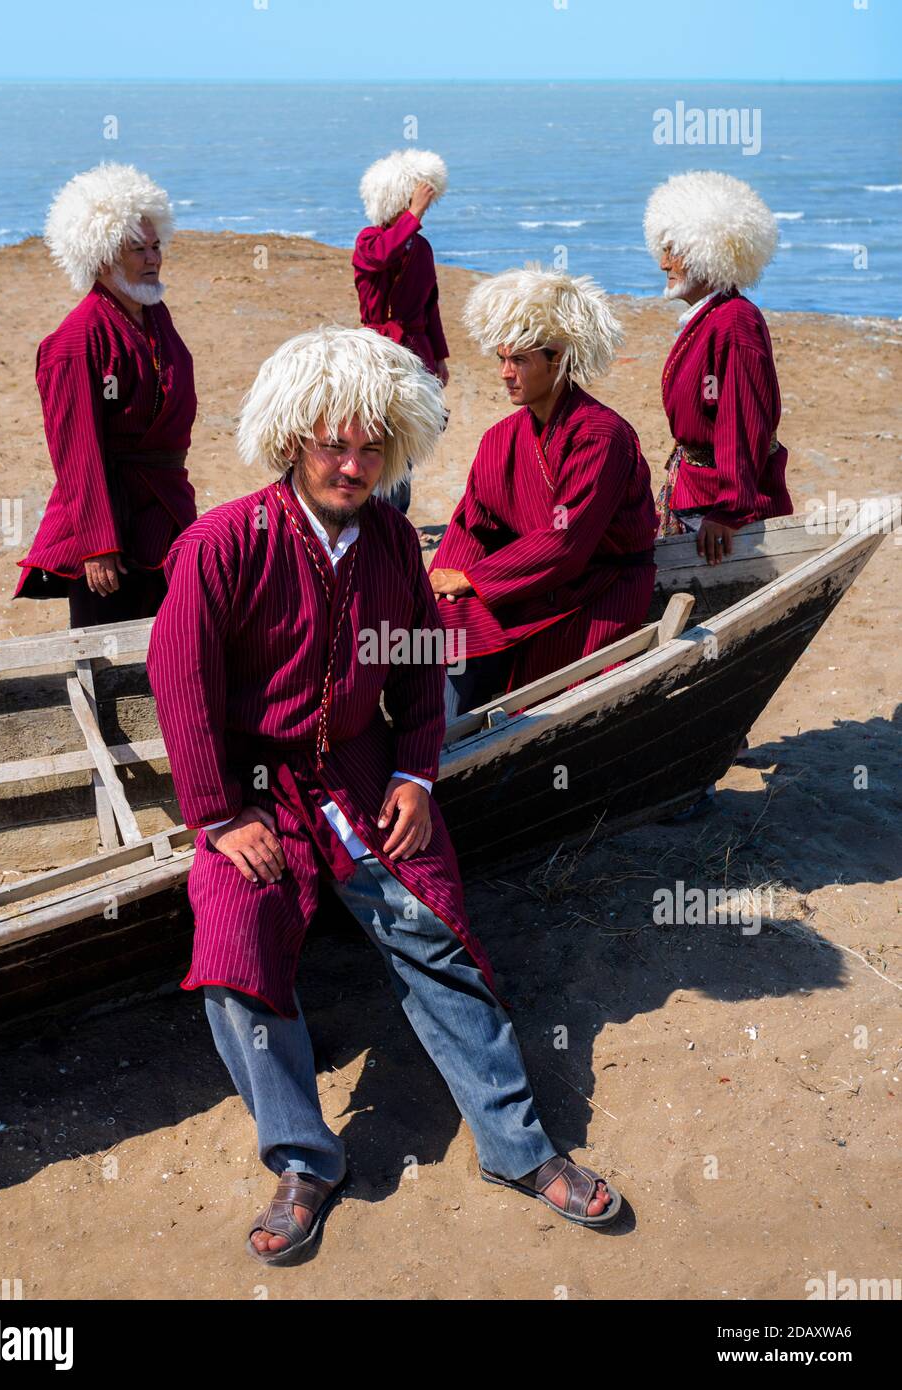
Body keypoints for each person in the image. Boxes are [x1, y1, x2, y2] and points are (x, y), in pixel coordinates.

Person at [147, 326, 622, 1266]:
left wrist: (413, 773)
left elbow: (416, 663)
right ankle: (304, 1161)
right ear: (293, 441)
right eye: (334, 444)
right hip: (255, 786)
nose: (353, 464)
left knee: (430, 927)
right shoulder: (221, 544)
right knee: (235, 941)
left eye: (372, 447)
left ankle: (517, 1149)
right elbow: (181, 683)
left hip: (362, 774)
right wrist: (218, 816)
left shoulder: (397, 542)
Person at [429, 267, 657, 718]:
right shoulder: (501, 438)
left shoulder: (600, 435)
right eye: (501, 360)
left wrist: (474, 580)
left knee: (547, 679)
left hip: (600, 587)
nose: (505, 374)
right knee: (439, 629)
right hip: (531, 581)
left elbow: (565, 542)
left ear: (558, 360)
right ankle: (438, 750)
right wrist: (445, 579)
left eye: (520, 361)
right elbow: (472, 523)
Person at [14, 162, 197, 626]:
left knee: (173, 634)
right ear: (100, 256)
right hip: (110, 521)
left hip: (165, 504)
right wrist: (98, 544)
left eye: (156, 246)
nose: (153, 258)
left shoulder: (155, 314)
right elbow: (77, 453)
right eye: (138, 249)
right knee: (106, 653)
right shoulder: (76, 342)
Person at [644, 170, 792, 564]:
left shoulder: (734, 322)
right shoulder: (710, 318)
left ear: (710, 253)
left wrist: (730, 510)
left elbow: (742, 422)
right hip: (696, 491)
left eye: (674, 251)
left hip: (720, 507)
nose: (663, 264)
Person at [353, 149, 450, 516]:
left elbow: (431, 306)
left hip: (417, 351)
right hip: (379, 352)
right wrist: (415, 214)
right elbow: (381, 259)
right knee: (379, 431)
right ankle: (375, 508)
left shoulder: (422, 247)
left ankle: (396, 513)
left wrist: (439, 357)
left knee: (407, 435)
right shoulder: (368, 241)